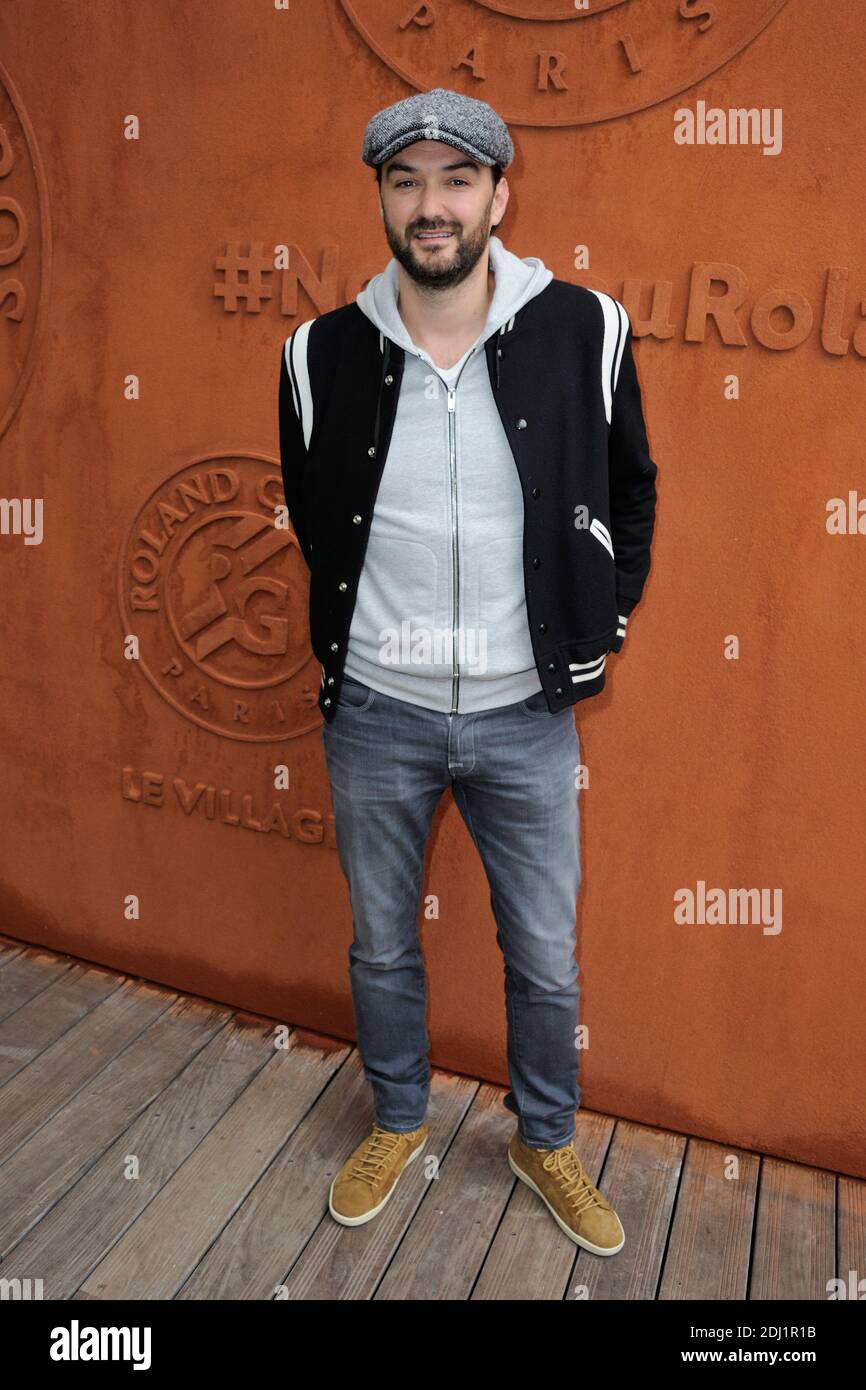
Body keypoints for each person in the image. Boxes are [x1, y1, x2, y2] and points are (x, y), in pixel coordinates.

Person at [278, 87, 658, 1256]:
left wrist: (609, 618)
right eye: (405, 182)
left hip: (523, 714)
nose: (429, 205)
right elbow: (312, 511)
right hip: (377, 715)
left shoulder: (584, 328)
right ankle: (397, 1114)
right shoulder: (317, 352)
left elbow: (630, 487)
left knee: (543, 955)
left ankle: (544, 1137)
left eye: (454, 180)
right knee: (381, 941)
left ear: (499, 193)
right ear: (383, 200)